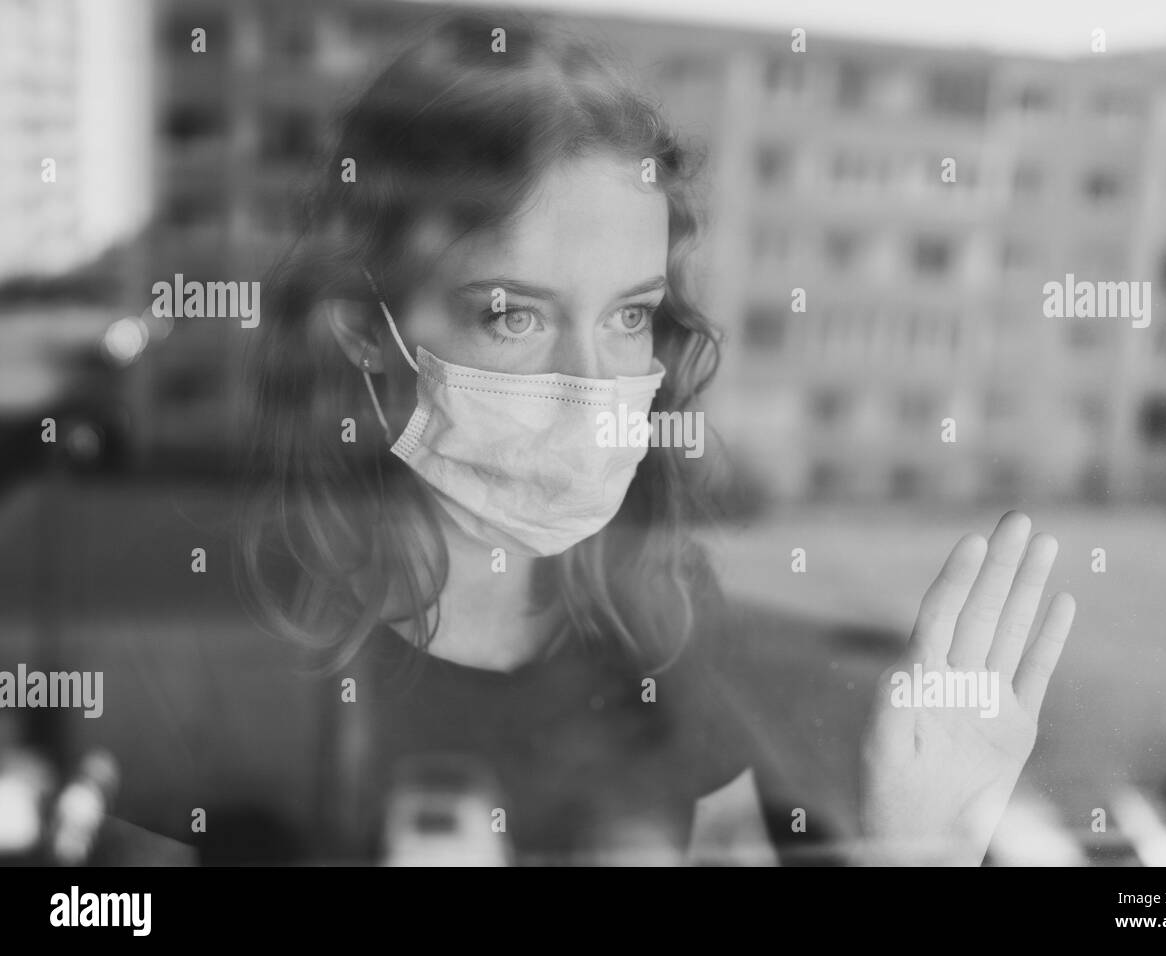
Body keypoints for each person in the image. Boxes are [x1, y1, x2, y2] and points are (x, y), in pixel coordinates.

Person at [234, 8, 1076, 866]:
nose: (597, 387)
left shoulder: (667, 637)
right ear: (363, 331)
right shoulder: (223, 673)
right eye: (511, 313)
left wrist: (915, 845)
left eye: (630, 314)